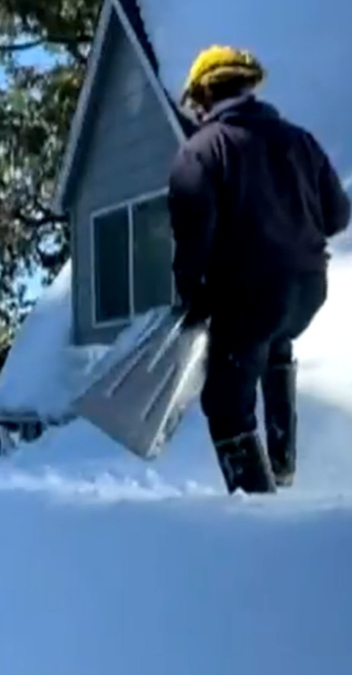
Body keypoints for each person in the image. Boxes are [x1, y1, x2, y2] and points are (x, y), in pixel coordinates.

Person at [171, 46, 350, 493]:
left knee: (225, 401)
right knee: (274, 344)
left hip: (247, 295)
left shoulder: (202, 150)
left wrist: (190, 295)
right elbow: (338, 215)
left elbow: (194, 235)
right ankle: (284, 467)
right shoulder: (301, 140)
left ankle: (260, 513)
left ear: (205, 95)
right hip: (308, 288)